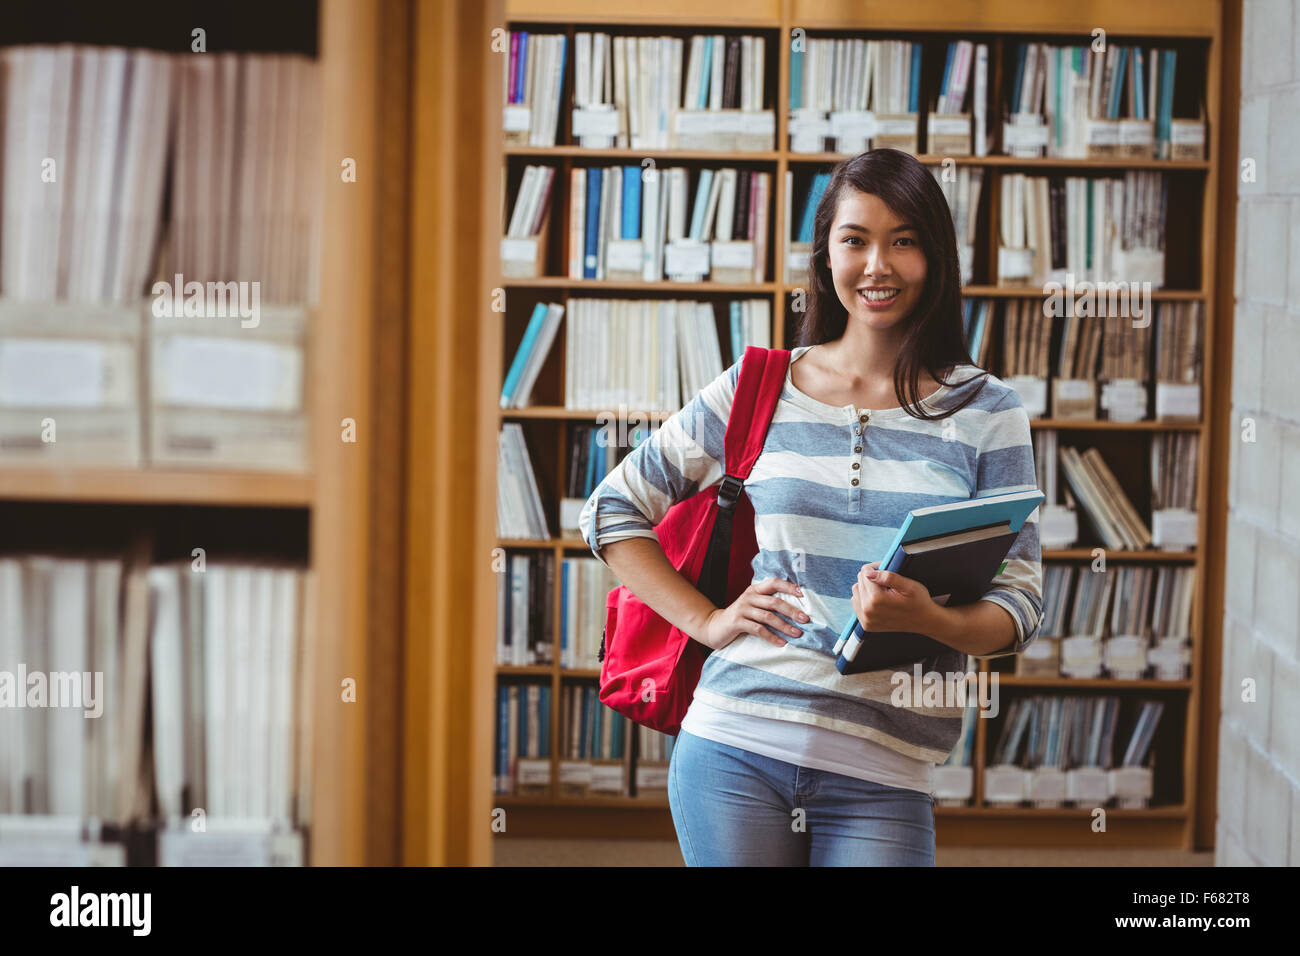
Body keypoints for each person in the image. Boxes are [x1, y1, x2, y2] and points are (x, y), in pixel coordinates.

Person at [578, 148, 1043, 866]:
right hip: (734, 742)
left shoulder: (988, 410)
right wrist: (708, 621)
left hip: (885, 772)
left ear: (936, 256)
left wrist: (930, 620)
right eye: (855, 240)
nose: (877, 265)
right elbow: (611, 511)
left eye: (904, 240)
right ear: (826, 253)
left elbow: (1020, 608)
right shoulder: (758, 384)